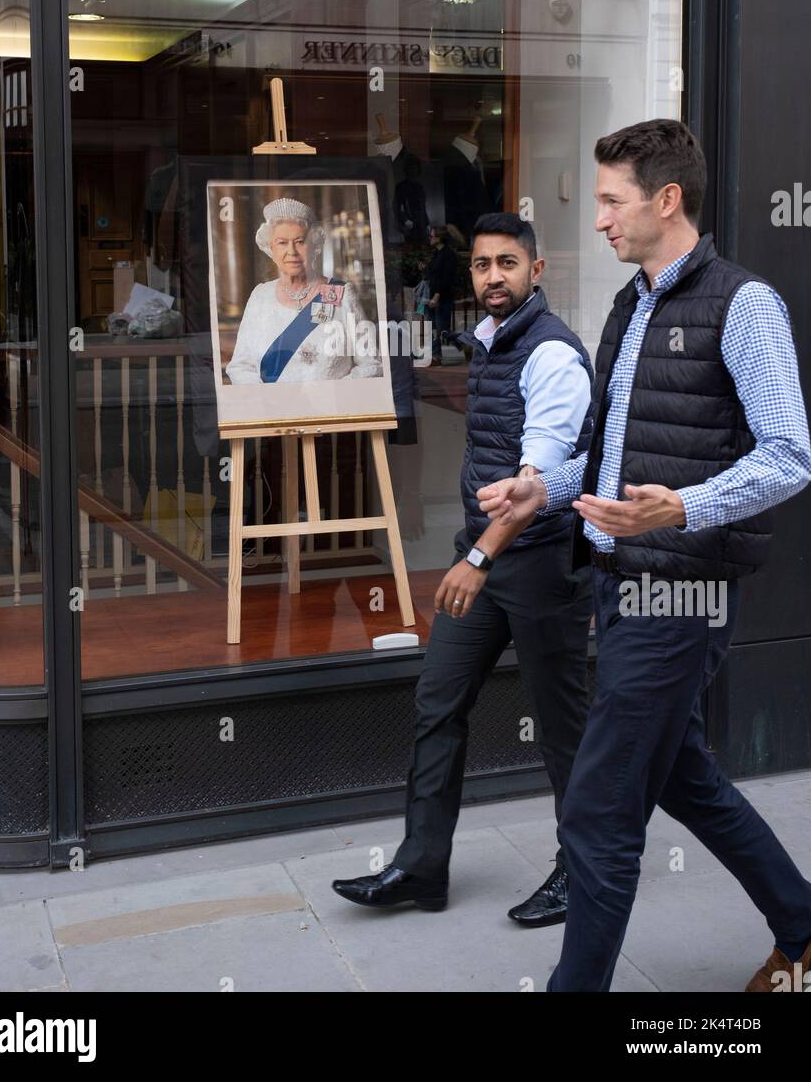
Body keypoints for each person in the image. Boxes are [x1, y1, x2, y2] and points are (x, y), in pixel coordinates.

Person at [478, 119, 811, 992]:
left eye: (610, 201)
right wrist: (541, 490)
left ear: (666, 201)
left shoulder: (745, 305)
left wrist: (683, 508)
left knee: (597, 806)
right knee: (686, 778)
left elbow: (790, 454)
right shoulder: (633, 302)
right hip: (622, 585)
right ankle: (806, 929)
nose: (599, 220)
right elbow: (607, 450)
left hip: (684, 594)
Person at [331, 212, 595, 923]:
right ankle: (422, 868)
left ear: (537, 271)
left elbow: (537, 484)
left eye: (508, 264)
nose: (493, 277)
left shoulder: (552, 356)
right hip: (483, 558)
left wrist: (478, 556)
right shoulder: (485, 342)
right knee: (437, 703)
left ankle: (584, 873)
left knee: (561, 726)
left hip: (539, 565)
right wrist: (476, 553)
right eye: (482, 265)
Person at [226, 197, 381, 384]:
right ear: (271, 248)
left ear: (314, 246)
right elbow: (240, 367)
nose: (291, 251)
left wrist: (333, 397)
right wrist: (267, 401)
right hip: (275, 410)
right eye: (282, 242)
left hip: (331, 410)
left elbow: (371, 365)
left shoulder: (342, 294)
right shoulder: (260, 296)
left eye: (300, 241)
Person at [423, 225, 458, 364]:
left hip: (442, 296)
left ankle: (463, 343)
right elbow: (434, 275)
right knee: (433, 327)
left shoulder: (448, 254)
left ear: (439, 238)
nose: (430, 238)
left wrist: (437, 296)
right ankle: (435, 355)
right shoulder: (436, 253)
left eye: (432, 236)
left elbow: (446, 278)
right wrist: (425, 268)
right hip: (432, 295)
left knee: (442, 328)